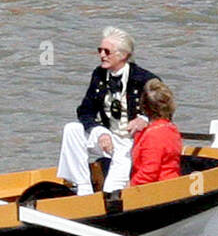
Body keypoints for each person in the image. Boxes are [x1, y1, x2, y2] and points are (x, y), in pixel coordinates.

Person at [56, 26, 160, 194]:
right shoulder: (99, 75)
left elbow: (165, 112)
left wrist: (144, 119)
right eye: (100, 50)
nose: (102, 55)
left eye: (107, 51)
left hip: (130, 142)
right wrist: (99, 132)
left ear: (123, 55)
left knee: (112, 191)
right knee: (72, 129)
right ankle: (83, 187)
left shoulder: (145, 79)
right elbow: (85, 111)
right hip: (107, 136)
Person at [129, 79, 183, 186]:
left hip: (157, 189)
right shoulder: (171, 128)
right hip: (173, 183)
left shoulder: (153, 135)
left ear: (144, 107)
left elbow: (149, 172)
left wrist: (129, 188)